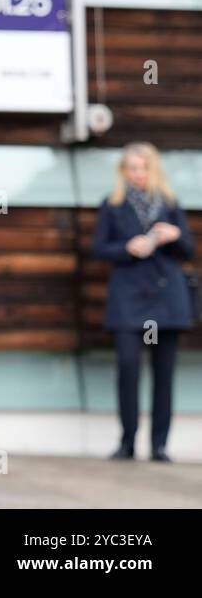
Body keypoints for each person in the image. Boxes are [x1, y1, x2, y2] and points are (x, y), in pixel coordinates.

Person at [91, 142, 195, 462]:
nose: (137, 174)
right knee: (127, 369)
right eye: (132, 168)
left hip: (166, 299)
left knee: (164, 375)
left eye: (143, 168)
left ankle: (160, 445)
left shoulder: (169, 203)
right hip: (129, 301)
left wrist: (173, 236)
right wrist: (127, 247)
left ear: (153, 169)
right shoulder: (112, 205)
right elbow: (99, 249)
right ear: (124, 172)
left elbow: (188, 251)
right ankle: (127, 442)